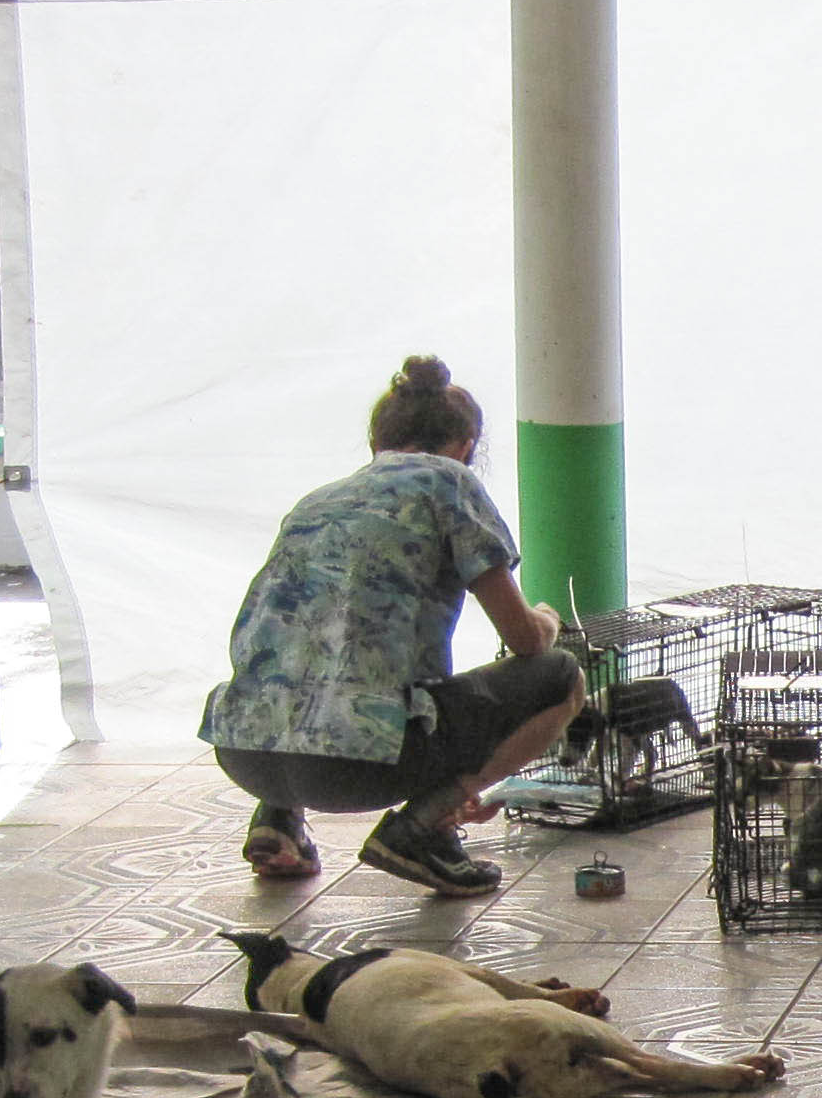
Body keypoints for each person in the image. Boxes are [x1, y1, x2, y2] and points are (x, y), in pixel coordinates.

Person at [202, 355, 585, 897]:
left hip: (244, 754)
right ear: (466, 443)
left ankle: (278, 822)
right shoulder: (448, 482)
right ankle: (419, 830)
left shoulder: (317, 501)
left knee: (310, 661)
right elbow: (522, 638)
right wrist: (547, 619)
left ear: (377, 442)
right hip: (359, 768)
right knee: (559, 676)